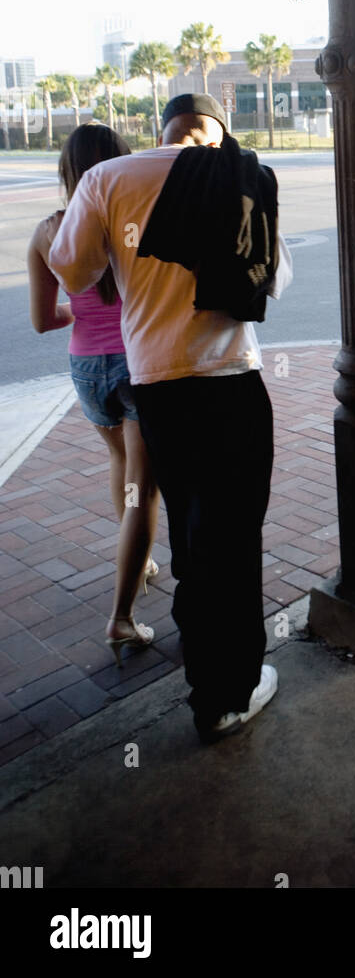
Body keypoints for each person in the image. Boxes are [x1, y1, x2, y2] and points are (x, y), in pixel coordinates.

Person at [49, 93, 292, 743]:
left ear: (163, 134)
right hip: (232, 382)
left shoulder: (108, 178)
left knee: (189, 536)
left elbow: (71, 269)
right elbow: (273, 280)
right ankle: (229, 692)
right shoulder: (240, 171)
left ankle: (204, 673)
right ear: (215, 133)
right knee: (234, 538)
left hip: (156, 388)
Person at [28, 123, 160, 664]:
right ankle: (122, 618)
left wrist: (78, 310)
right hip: (138, 362)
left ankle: (140, 560)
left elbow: (42, 320)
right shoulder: (136, 219)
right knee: (144, 489)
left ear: (66, 172)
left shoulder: (48, 230)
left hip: (87, 368)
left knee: (120, 461)